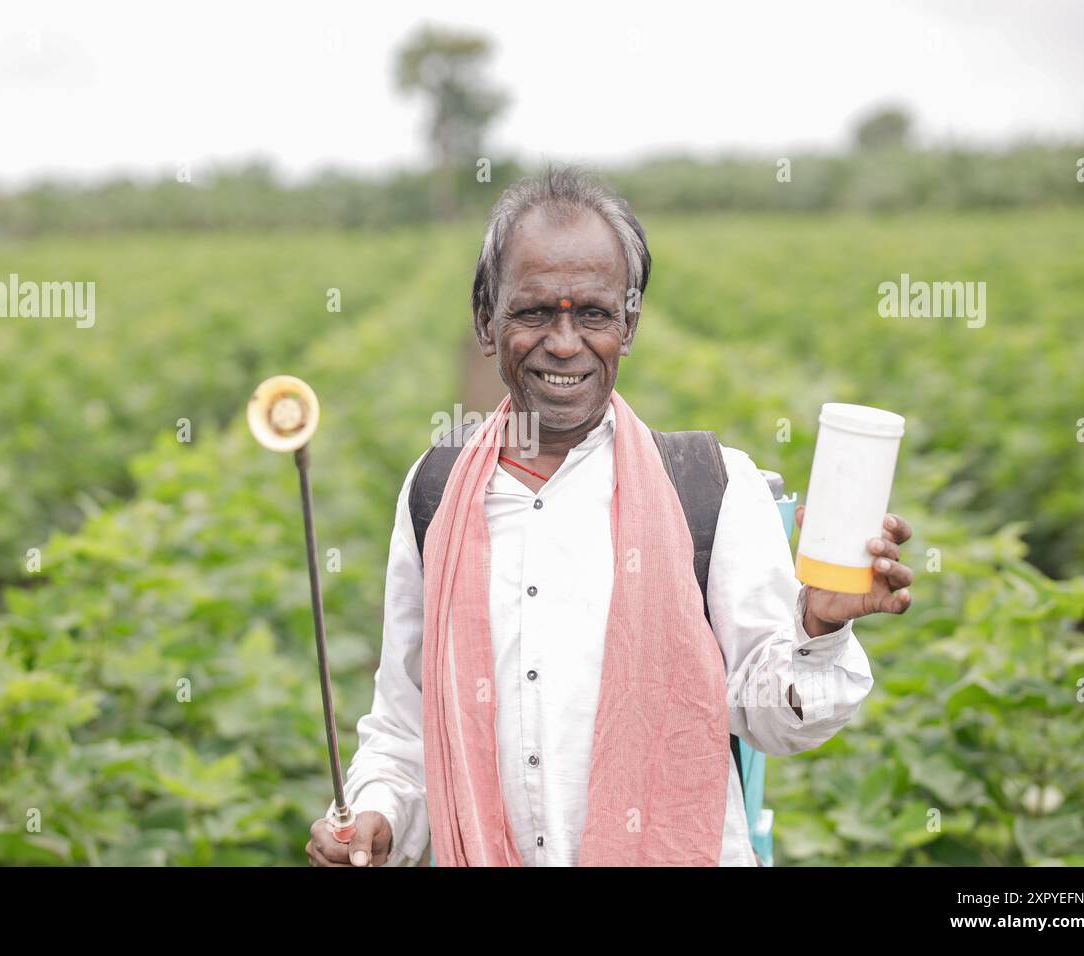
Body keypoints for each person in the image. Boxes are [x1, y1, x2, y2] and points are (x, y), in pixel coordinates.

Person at [306, 164, 914, 867]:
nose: (564, 343)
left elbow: (773, 717)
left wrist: (819, 628)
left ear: (627, 326)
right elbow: (406, 726)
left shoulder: (709, 488)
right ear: (485, 319)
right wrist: (377, 813)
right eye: (534, 312)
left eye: (593, 314)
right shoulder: (436, 492)